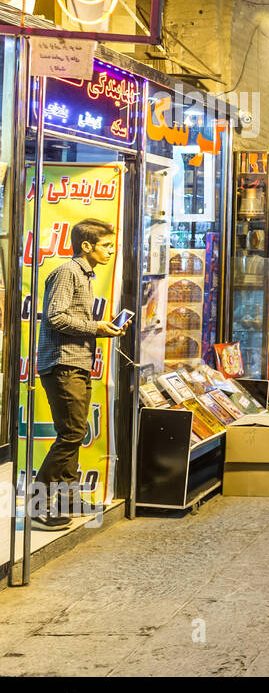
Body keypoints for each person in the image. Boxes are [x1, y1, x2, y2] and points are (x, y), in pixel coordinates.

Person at [31, 219, 124, 529]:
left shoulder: (84, 275)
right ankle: (37, 503)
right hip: (63, 364)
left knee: (73, 432)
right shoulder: (67, 272)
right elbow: (55, 317)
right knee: (72, 433)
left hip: (77, 363)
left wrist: (101, 329)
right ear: (87, 246)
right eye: (106, 246)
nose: (111, 251)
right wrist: (94, 327)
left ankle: (68, 498)